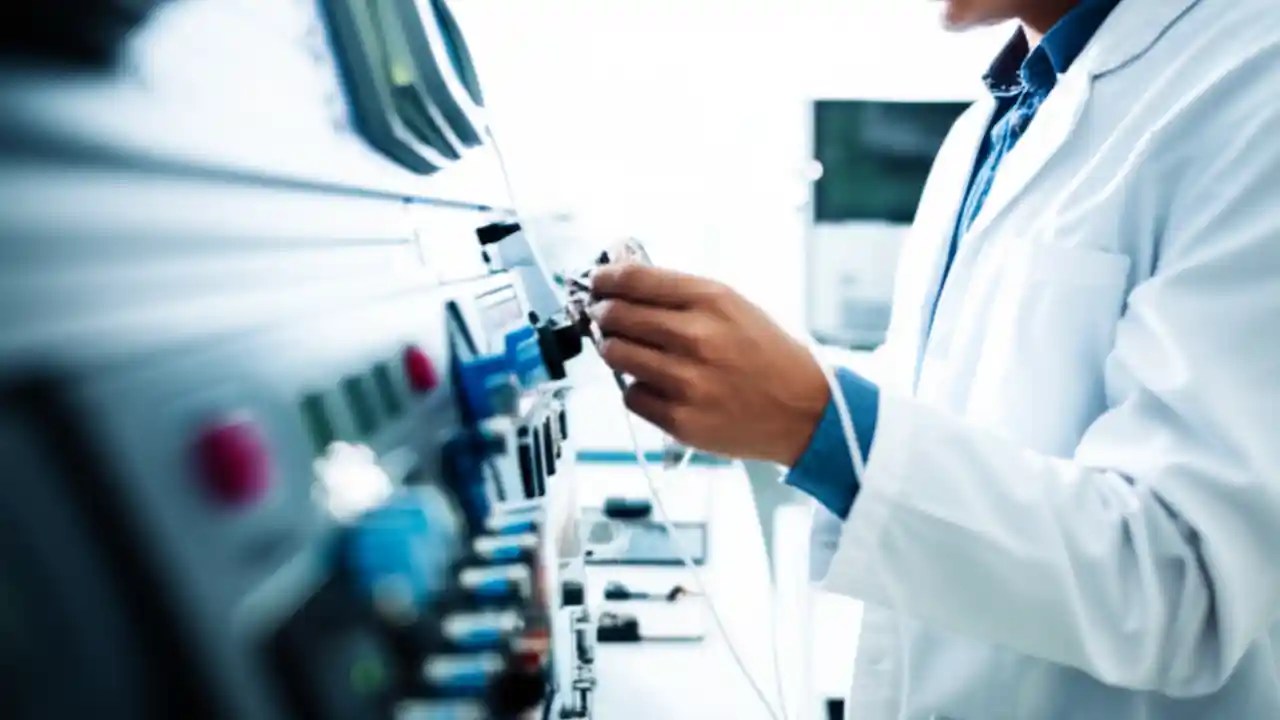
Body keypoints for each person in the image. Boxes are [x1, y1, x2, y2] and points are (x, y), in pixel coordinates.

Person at [587, 0, 1280, 717]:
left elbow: (1184, 579)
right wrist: (720, 369)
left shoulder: (1257, 86)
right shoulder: (999, 118)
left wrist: (815, 423)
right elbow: (951, 401)